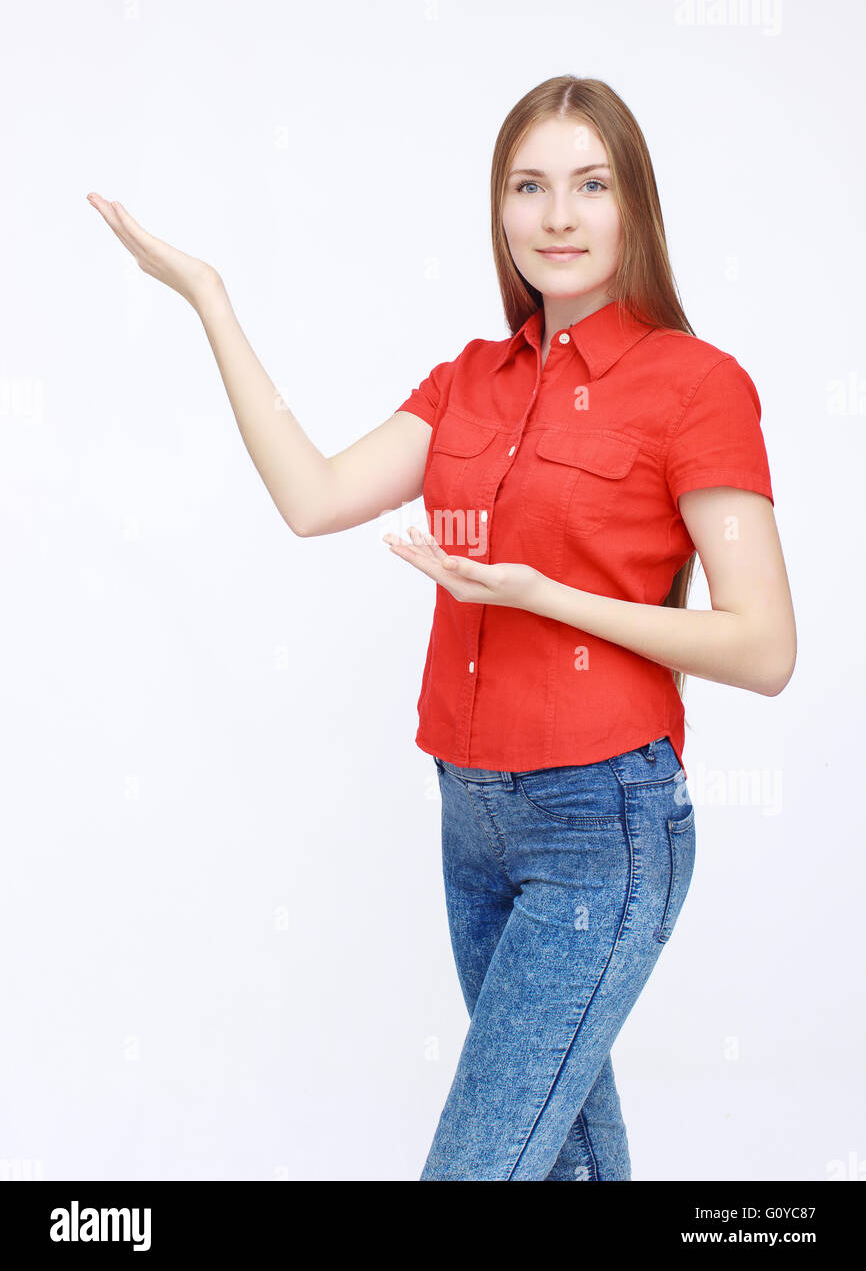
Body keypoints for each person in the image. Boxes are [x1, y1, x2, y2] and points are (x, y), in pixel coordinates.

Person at [86, 74, 797, 1181]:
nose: (556, 215)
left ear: (633, 206)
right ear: (499, 209)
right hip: (468, 816)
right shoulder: (467, 380)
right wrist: (210, 299)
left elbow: (763, 648)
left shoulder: (693, 386)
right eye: (528, 185)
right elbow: (312, 495)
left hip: (599, 823)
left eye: (589, 184)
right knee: (559, 1160)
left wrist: (540, 596)